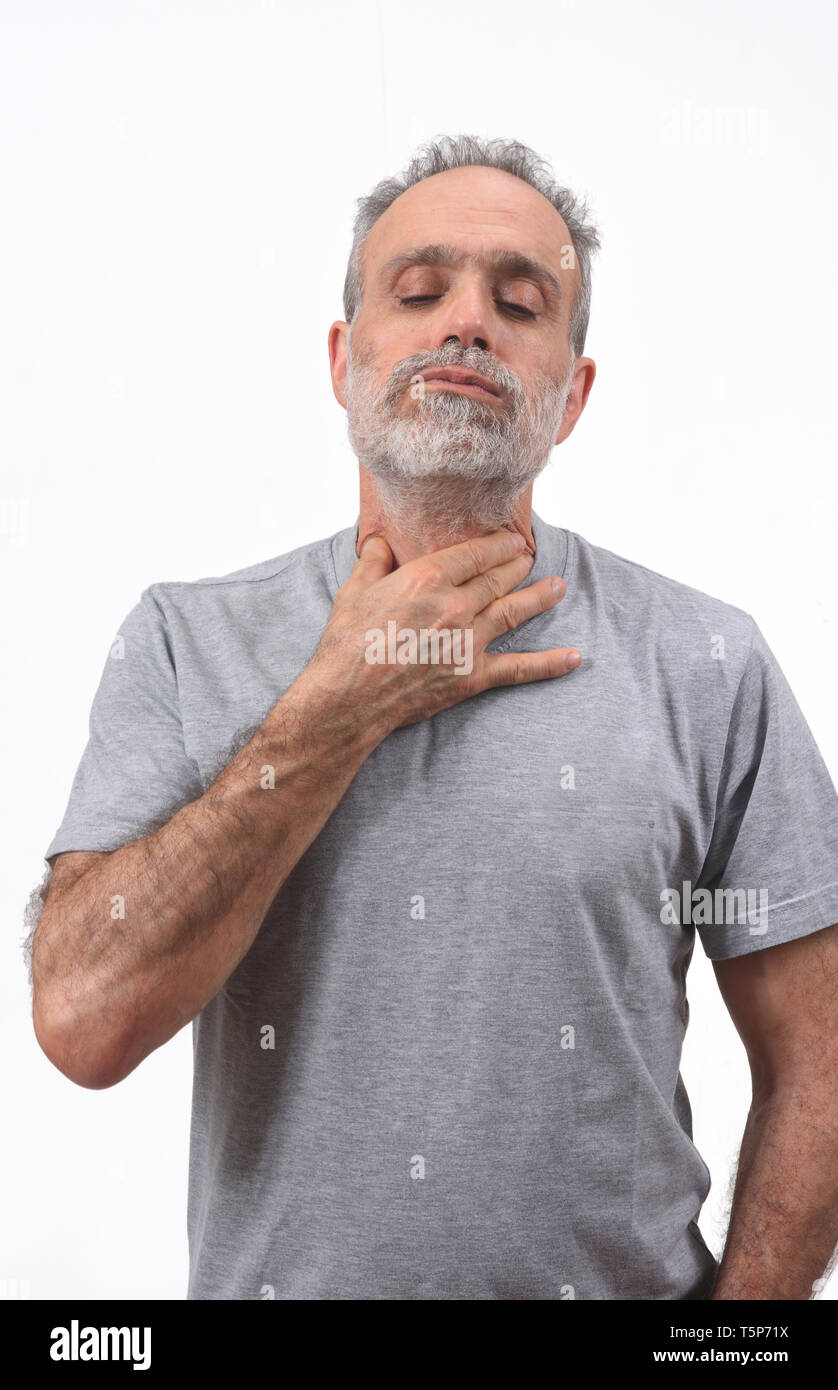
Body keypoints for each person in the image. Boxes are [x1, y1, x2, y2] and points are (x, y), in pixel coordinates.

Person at [27, 134, 838, 1301]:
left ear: (574, 395)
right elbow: (83, 1019)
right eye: (419, 291)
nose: (466, 323)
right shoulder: (183, 642)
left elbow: (818, 1065)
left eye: (520, 300)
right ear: (344, 359)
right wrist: (339, 701)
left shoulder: (707, 663)